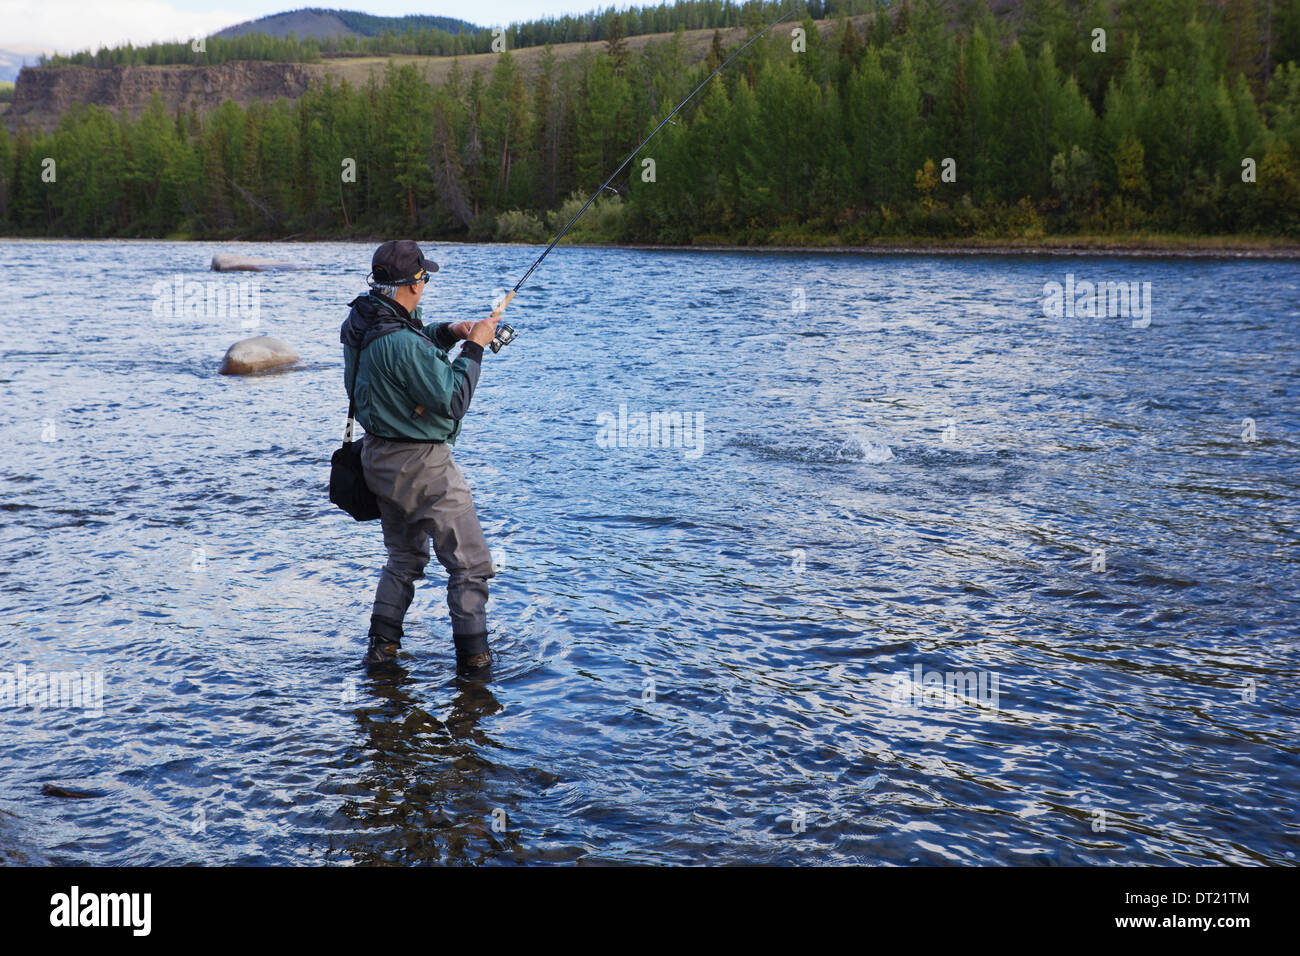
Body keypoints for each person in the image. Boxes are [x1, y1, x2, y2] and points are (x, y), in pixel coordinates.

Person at [339, 240, 501, 674]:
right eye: (423, 277)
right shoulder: (399, 341)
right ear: (412, 284)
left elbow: (409, 344)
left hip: (378, 459)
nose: (426, 283)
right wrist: (476, 347)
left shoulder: (364, 318)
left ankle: (381, 650)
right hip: (422, 467)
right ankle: (475, 666)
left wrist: (452, 331)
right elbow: (451, 399)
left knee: (404, 559)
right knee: (471, 565)